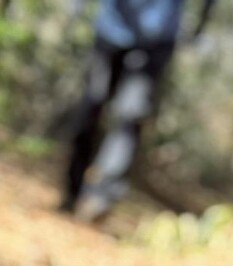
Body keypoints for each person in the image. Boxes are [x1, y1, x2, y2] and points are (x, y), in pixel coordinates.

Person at [61, 0, 218, 220]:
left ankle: (101, 197)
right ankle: (72, 191)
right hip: (111, 29)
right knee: (92, 107)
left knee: (131, 116)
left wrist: (199, 26)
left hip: (158, 39)